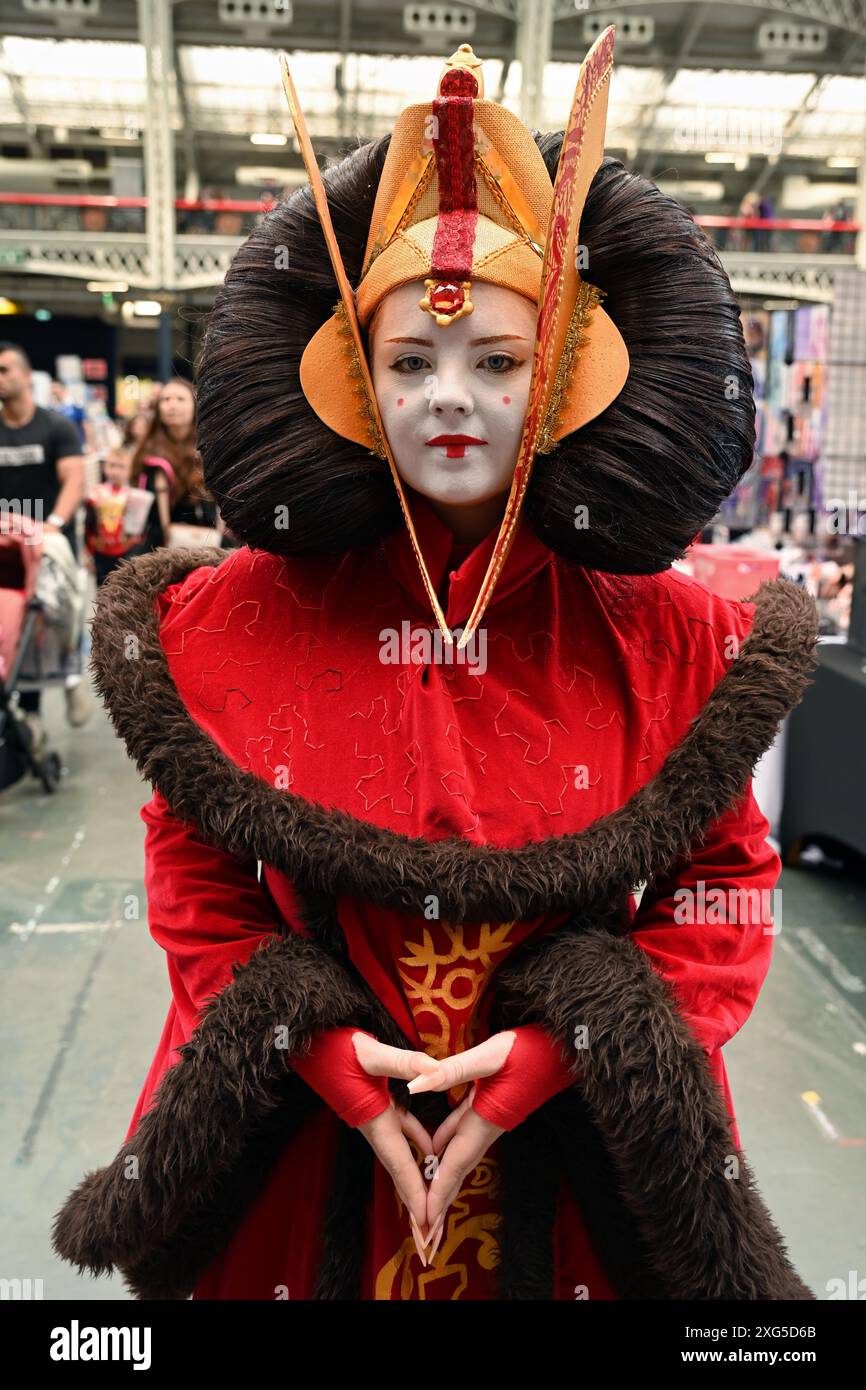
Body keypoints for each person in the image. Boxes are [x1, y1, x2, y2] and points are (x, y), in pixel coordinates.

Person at [53, 34, 818, 1300]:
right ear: (358, 382)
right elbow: (190, 855)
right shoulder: (247, 610)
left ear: (563, 373)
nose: (446, 398)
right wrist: (305, 1039)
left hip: (580, 1152)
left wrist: (571, 1046)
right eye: (408, 362)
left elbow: (724, 876)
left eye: (497, 363)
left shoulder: (662, 631)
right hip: (308, 1138)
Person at [0, 341, 91, 735]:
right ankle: (28, 713)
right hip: (7, 544)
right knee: (17, 622)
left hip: (51, 540)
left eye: (4, 370)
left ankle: (70, 678)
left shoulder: (56, 426)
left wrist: (53, 522)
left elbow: (74, 479)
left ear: (23, 375)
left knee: (57, 614)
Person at [130, 377, 221, 548]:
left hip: (206, 541)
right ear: (158, 408)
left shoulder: (209, 446)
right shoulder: (148, 453)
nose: (172, 405)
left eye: (180, 399)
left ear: (195, 405)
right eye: (165, 399)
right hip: (160, 545)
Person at [83, 446, 152, 587]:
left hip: (126, 552)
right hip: (100, 552)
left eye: (121, 467)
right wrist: (88, 553)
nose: (116, 471)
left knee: (122, 589)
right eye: (112, 465)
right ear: (104, 467)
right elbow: (88, 525)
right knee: (102, 590)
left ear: (130, 470)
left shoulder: (134, 496)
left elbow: (140, 530)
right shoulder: (95, 493)